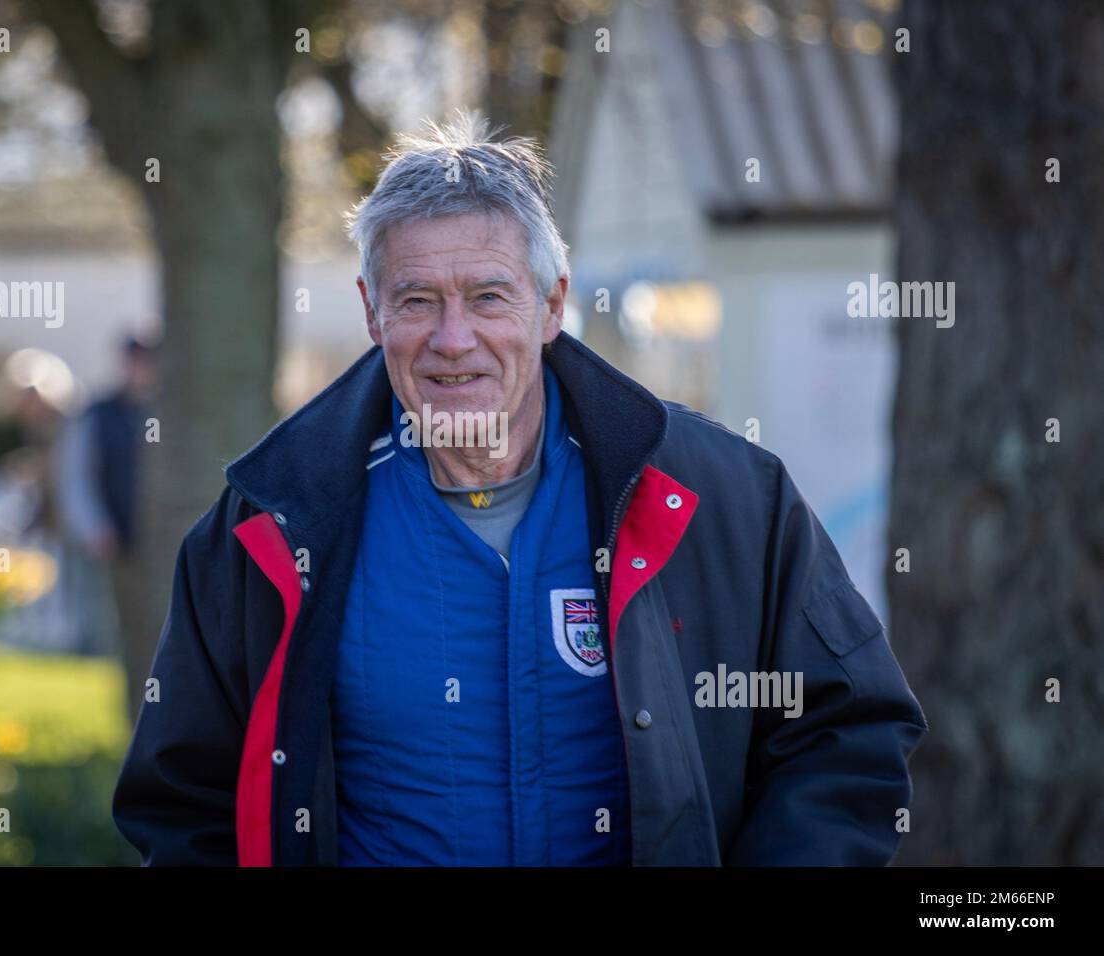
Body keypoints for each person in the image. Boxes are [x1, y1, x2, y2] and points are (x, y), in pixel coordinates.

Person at [112, 112, 928, 866]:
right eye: (417, 300)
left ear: (551, 305)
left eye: (489, 296)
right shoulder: (269, 524)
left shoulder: (726, 501)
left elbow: (844, 734)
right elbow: (184, 799)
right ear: (372, 313)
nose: (452, 339)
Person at [54, 336, 157, 701]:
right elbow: (75, 474)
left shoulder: (169, 412)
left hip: (163, 543)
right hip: (119, 540)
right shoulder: (98, 413)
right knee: (125, 632)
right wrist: (94, 527)